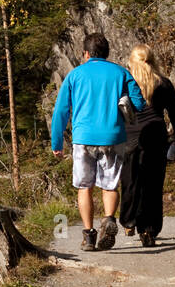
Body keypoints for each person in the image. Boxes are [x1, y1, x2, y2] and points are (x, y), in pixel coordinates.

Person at [51, 32, 146, 252]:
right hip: (113, 137)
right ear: (107, 53)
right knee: (110, 184)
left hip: (83, 139)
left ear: (85, 53)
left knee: (85, 187)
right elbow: (139, 104)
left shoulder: (75, 75)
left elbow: (61, 112)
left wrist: (57, 143)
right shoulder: (121, 72)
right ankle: (109, 219)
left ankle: (89, 237)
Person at [118, 45, 175, 246]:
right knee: (153, 185)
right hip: (157, 136)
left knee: (130, 182)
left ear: (132, 62)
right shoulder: (163, 84)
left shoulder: (124, 85)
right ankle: (148, 230)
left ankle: (129, 221)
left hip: (129, 138)